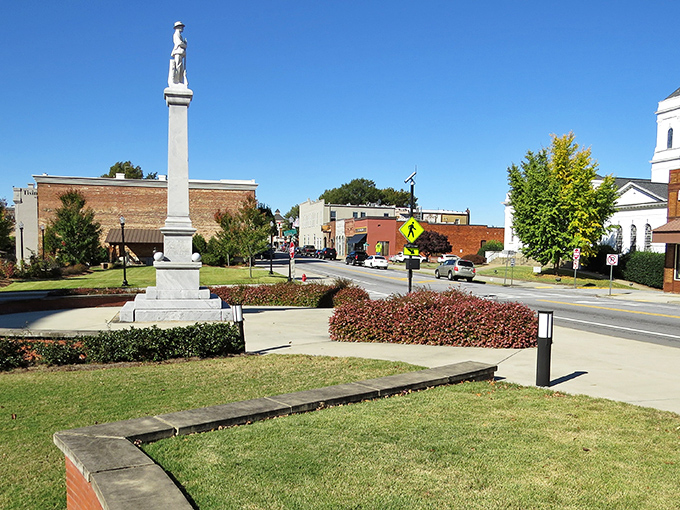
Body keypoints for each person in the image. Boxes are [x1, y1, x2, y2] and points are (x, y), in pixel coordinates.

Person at [169, 21, 187, 86]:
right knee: (178, 66)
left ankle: (180, 80)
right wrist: (184, 45)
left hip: (180, 52)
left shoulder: (179, 35)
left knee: (180, 66)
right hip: (178, 52)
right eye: (181, 27)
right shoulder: (176, 34)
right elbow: (179, 43)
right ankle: (177, 80)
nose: (182, 28)